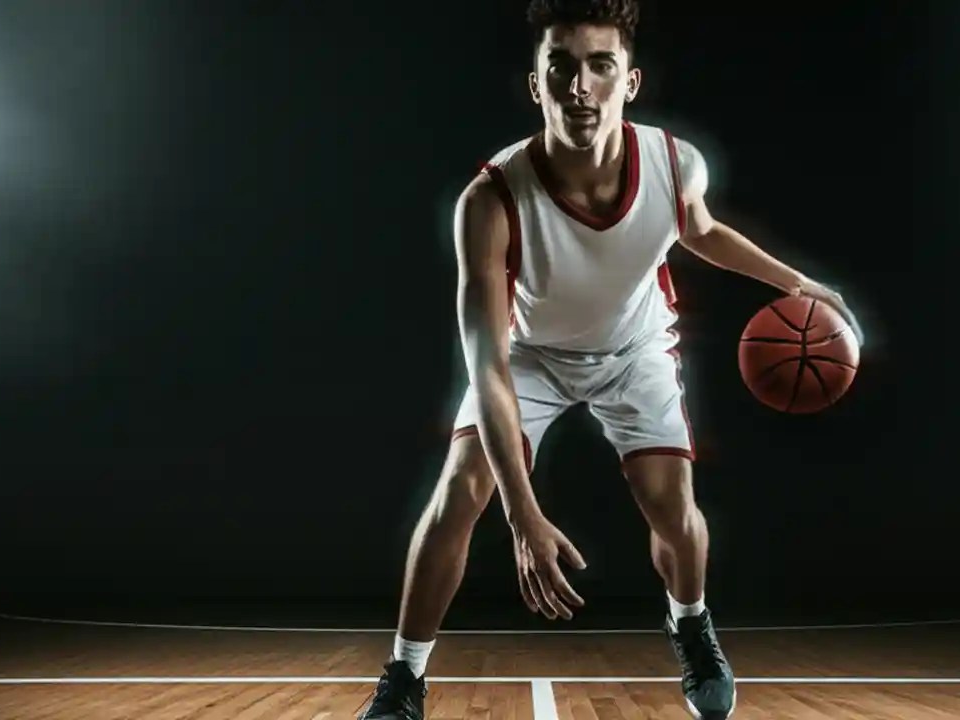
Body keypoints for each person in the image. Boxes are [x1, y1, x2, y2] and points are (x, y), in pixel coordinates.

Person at [356, 1, 859, 718]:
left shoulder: (674, 164)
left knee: (673, 507)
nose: (580, 86)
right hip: (529, 356)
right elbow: (489, 368)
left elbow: (701, 230)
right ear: (536, 83)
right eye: (560, 66)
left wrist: (799, 284)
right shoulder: (491, 200)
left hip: (634, 348)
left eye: (600, 66)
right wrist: (524, 517)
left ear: (630, 80)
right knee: (459, 491)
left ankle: (690, 623)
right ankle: (404, 678)